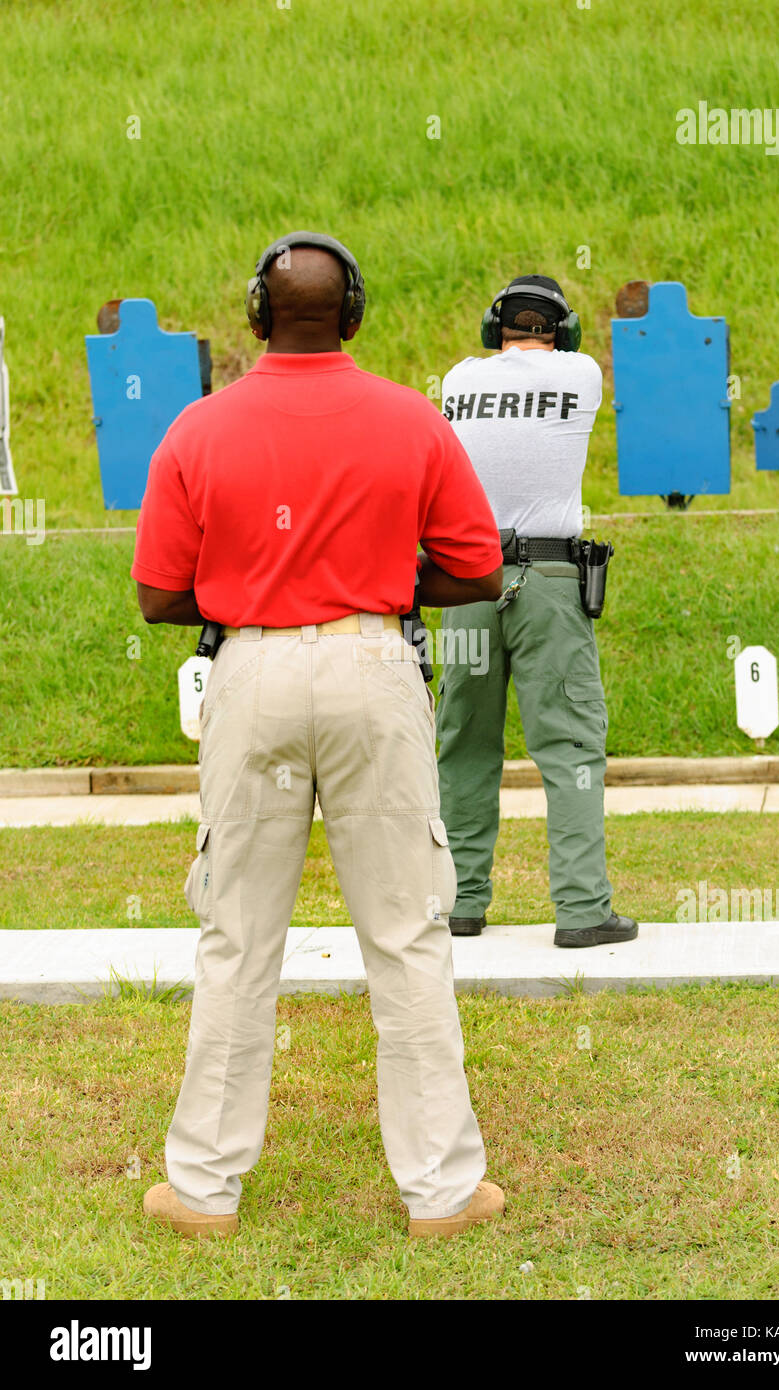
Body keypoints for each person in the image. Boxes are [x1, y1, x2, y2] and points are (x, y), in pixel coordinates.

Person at [131, 231, 506, 1240]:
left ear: (257, 313)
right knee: (406, 933)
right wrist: (378, 582)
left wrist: (257, 588)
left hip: (250, 670)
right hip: (375, 663)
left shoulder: (196, 430)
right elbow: (478, 574)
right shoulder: (412, 421)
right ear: (355, 312)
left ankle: (204, 1188)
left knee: (237, 935)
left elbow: (159, 594)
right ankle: (442, 1189)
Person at [436, 274, 638, 949]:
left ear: (495, 330)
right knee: (570, 743)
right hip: (549, 579)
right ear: (564, 331)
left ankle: (462, 900)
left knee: (462, 741)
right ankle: (581, 909)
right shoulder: (580, 374)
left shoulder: (459, 379)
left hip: (464, 584)